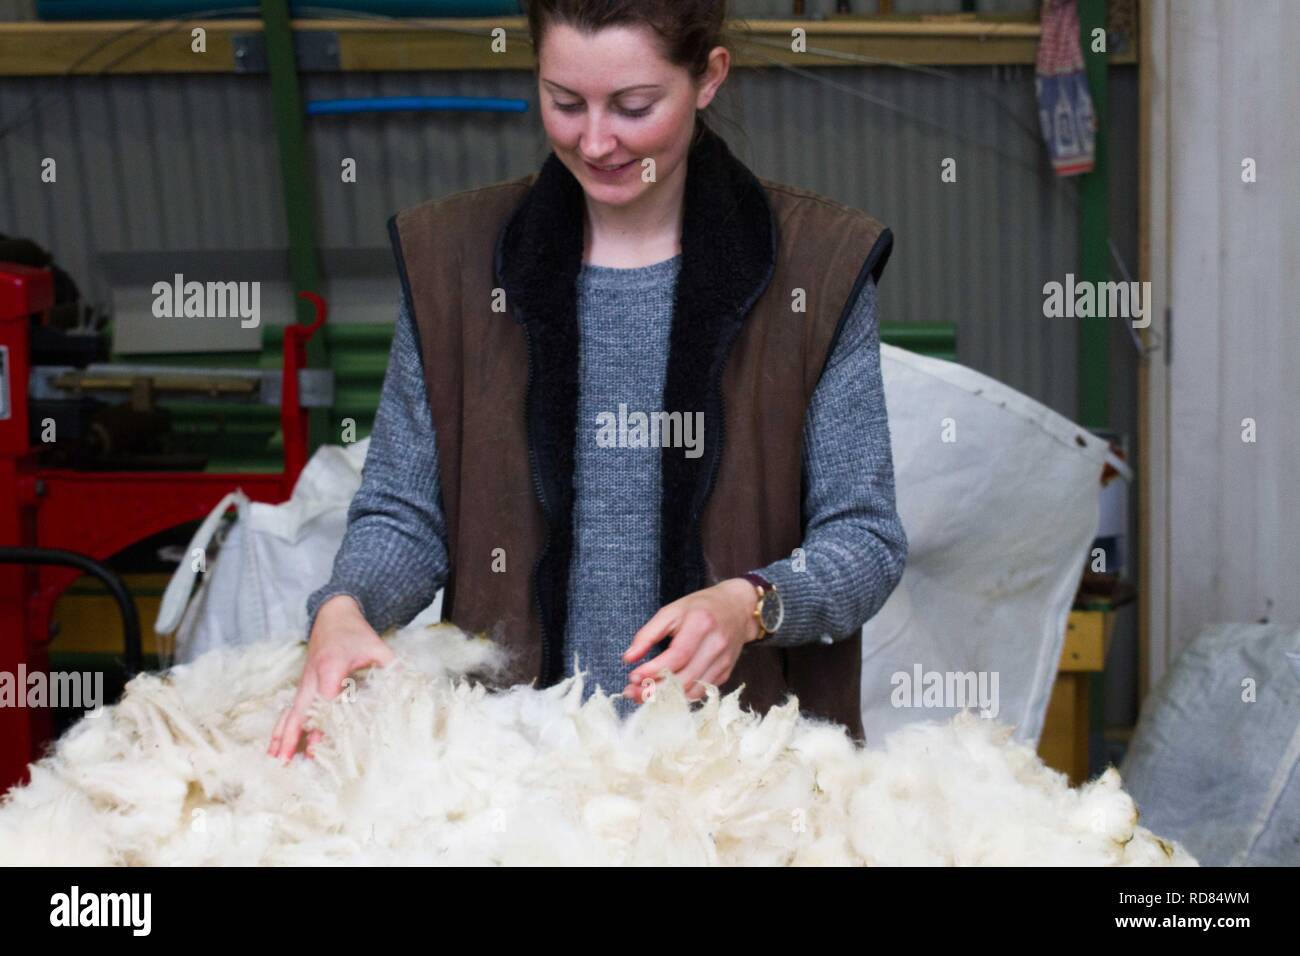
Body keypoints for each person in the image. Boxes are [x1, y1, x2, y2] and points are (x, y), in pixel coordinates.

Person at [269, 0, 907, 762]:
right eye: (563, 102)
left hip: (738, 790)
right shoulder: (458, 264)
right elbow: (406, 514)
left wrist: (753, 605)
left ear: (708, 77)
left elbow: (865, 538)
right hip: (515, 777)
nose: (596, 140)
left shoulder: (815, 267)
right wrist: (346, 607)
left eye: (634, 107)